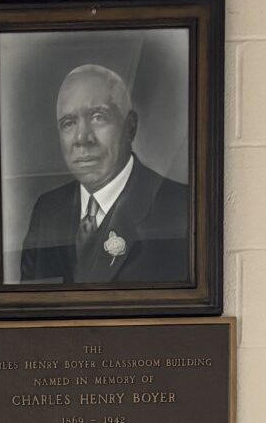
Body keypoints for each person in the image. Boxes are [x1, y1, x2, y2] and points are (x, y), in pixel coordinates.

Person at [17, 62, 190, 286]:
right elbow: (27, 314)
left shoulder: (180, 208)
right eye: (68, 123)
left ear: (130, 127)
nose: (82, 138)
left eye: (98, 117)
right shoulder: (47, 212)